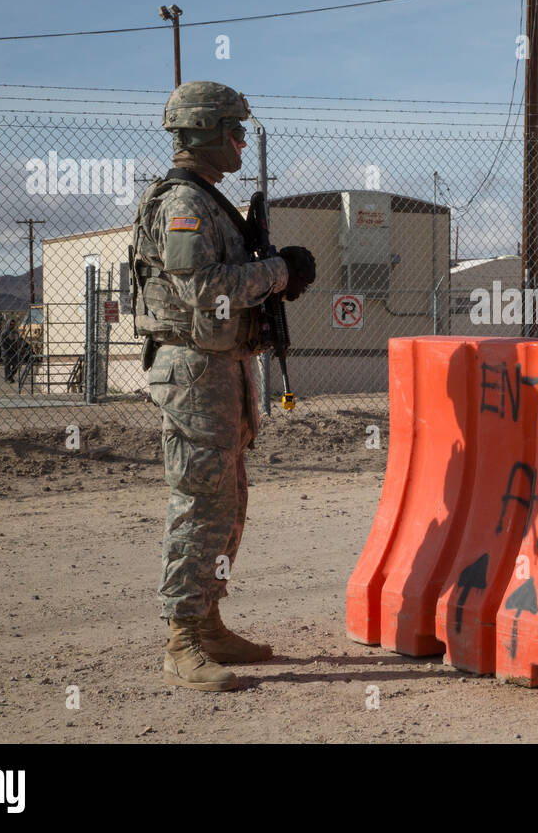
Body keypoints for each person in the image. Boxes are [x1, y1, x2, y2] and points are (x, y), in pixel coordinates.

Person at [130, 80, 315, 691]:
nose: (241, 139)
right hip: (194, 372)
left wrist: (271, 278)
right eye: (232, 128)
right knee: (200, 501)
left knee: (227, 503)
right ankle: (181, 638)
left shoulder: (211, 201)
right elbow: (205, 290)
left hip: (223, 369)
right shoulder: (183, 205)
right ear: (204, 132)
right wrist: (279, 272)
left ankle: (207, 621)